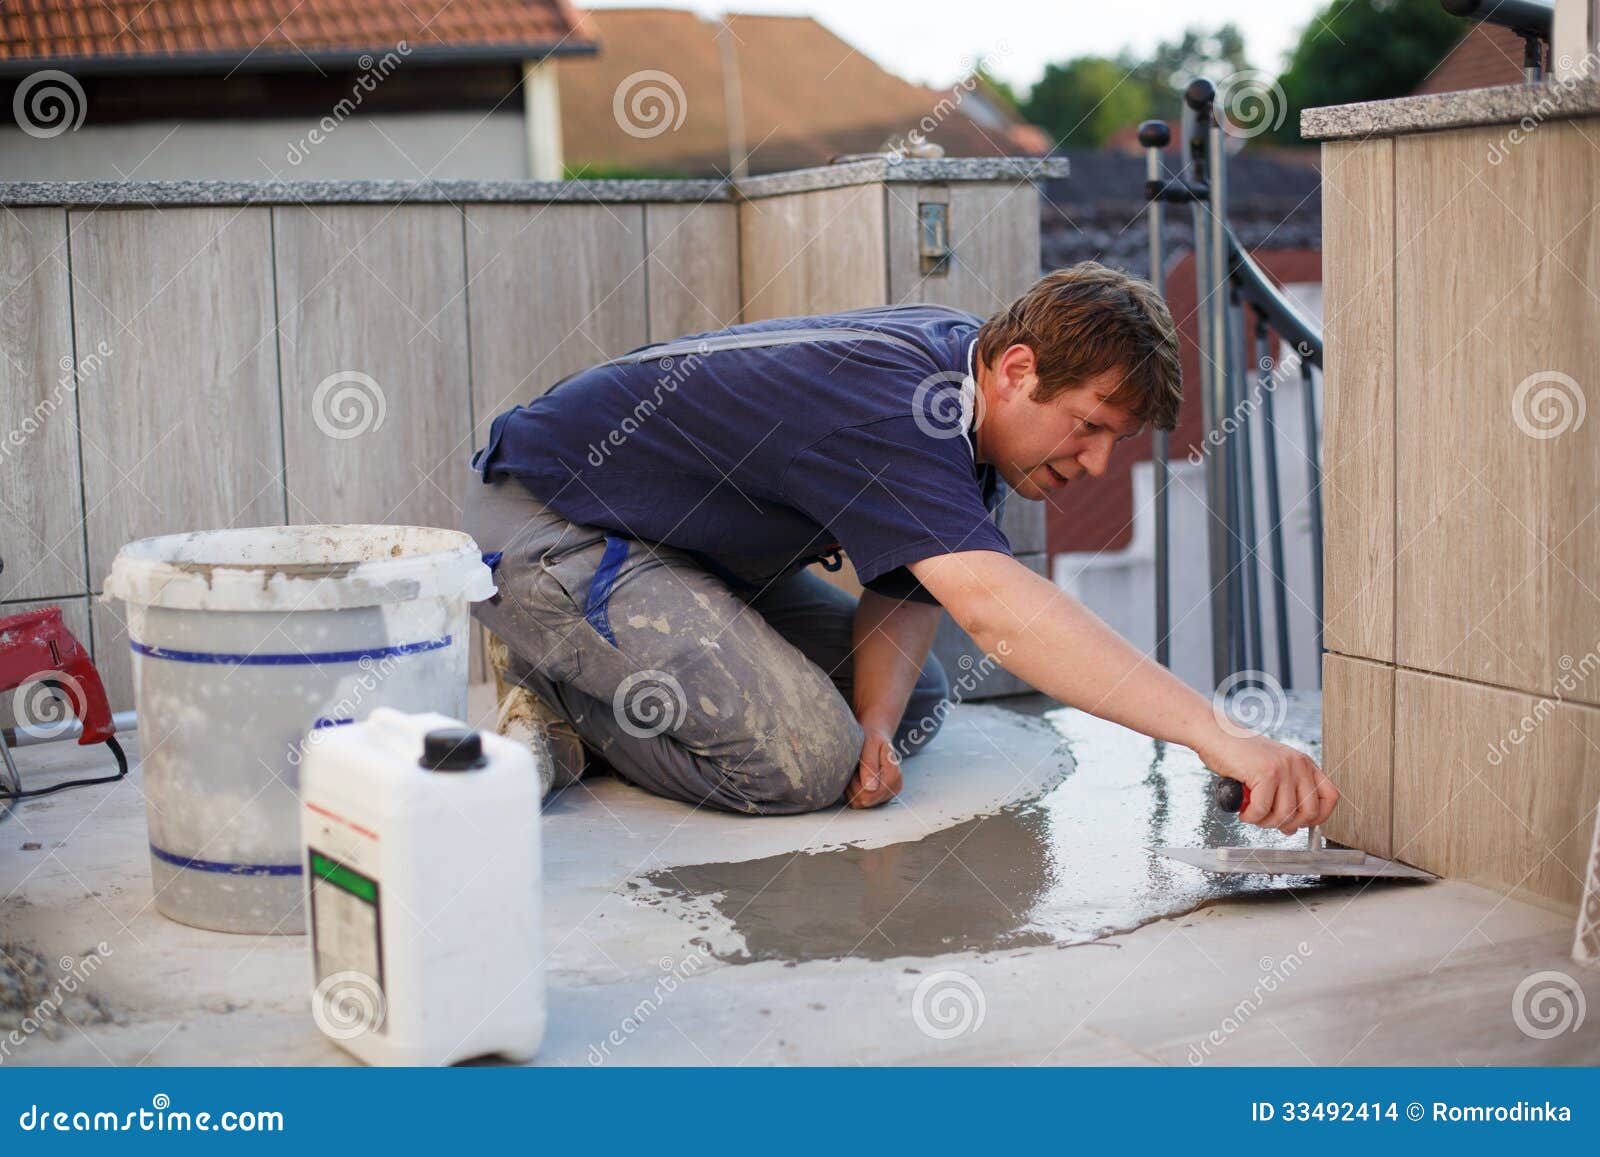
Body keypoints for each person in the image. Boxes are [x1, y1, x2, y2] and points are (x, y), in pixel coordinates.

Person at [462, 261, 1338, 832]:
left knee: (907, 706)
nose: (1099, 462)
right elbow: (998, 611)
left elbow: (912, 587)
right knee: (805, 761)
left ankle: (604, 667)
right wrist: (1216, 734)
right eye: (1090, 427)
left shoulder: (969, 387)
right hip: (554, 528)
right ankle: (555, 688)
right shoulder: (902, 410)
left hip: (678, 551)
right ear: (1020, 370)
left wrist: (876, 727)